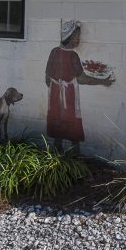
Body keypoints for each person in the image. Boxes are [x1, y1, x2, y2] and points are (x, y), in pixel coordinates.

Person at [45, 20, 114, 153]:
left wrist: (55, 87)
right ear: (69, 37)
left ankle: (56, 154)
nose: (79, 39)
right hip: (68, 94)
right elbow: (82, 79)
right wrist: (103, 81)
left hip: (54, 94)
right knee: (72, 125)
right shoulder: (73, 56)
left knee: (57, 124)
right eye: (77, 36)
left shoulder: (53, 52)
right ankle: (75, 156)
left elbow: (47, 78)